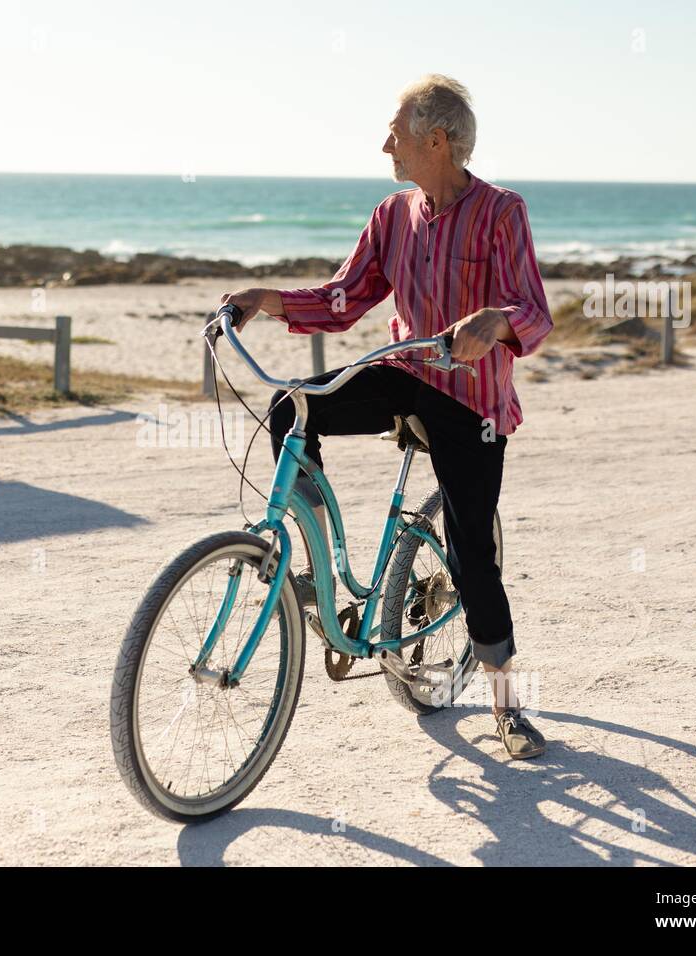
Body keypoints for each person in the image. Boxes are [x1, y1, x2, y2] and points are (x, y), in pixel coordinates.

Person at [220, 74, 551, 759]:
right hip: (405, 374)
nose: (384, 146)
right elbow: (342, 300)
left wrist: (493, 322)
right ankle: (314, 559)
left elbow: (533, 311)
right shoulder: (393, 214)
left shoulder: (501, 211)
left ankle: (507, 703)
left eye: (395, 134)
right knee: (292, 406)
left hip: (471, 400)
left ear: (437, 141)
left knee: (471, 554)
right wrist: (266, 299)